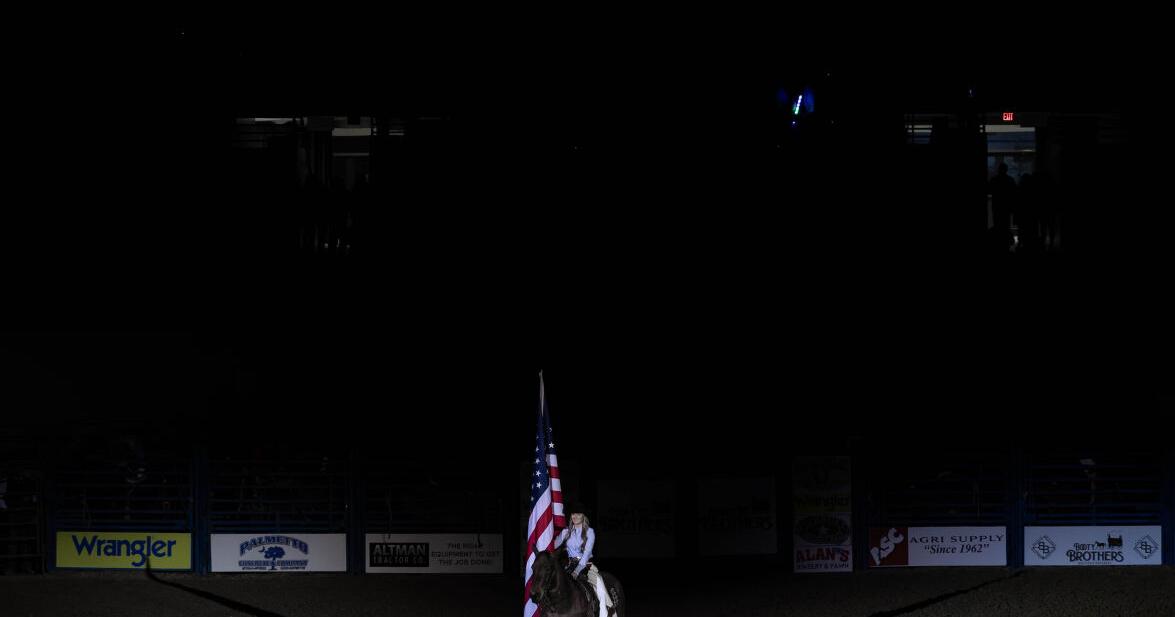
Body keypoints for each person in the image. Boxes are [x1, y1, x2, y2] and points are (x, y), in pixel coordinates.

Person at [555, 502, 612, 617]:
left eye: (578, 514)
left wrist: (577, 570)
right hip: (568, 565)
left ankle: (606, 610)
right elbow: (554, 545)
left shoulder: (590, 532)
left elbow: (586, 554)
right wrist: (560, 535)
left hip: (585, 566)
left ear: (583, 516)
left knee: (600, 588)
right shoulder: (566, 532)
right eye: (573, 514)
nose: (575, 516)